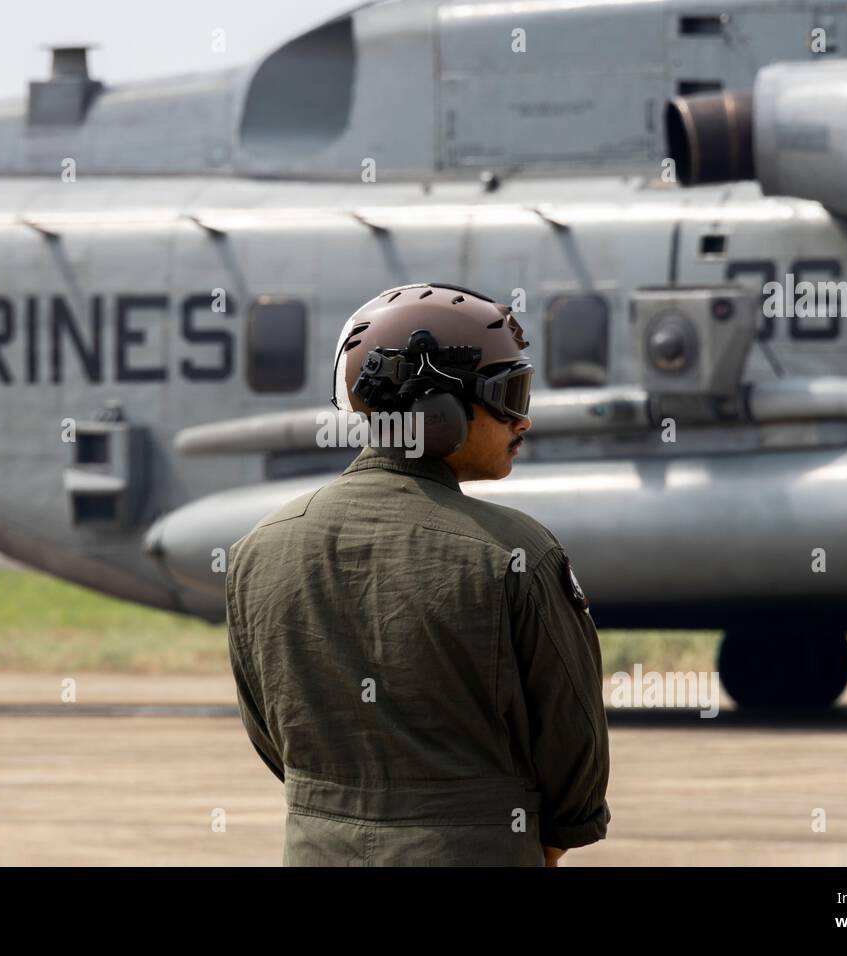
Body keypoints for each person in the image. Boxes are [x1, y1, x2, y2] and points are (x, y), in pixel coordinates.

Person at [226, 282, 610, 866]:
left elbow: (272, 736)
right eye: (508, 394)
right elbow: (572, 739)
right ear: (440, 413)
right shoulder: (517, 552)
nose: (522, 421)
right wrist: (544, 844)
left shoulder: (258, 551)